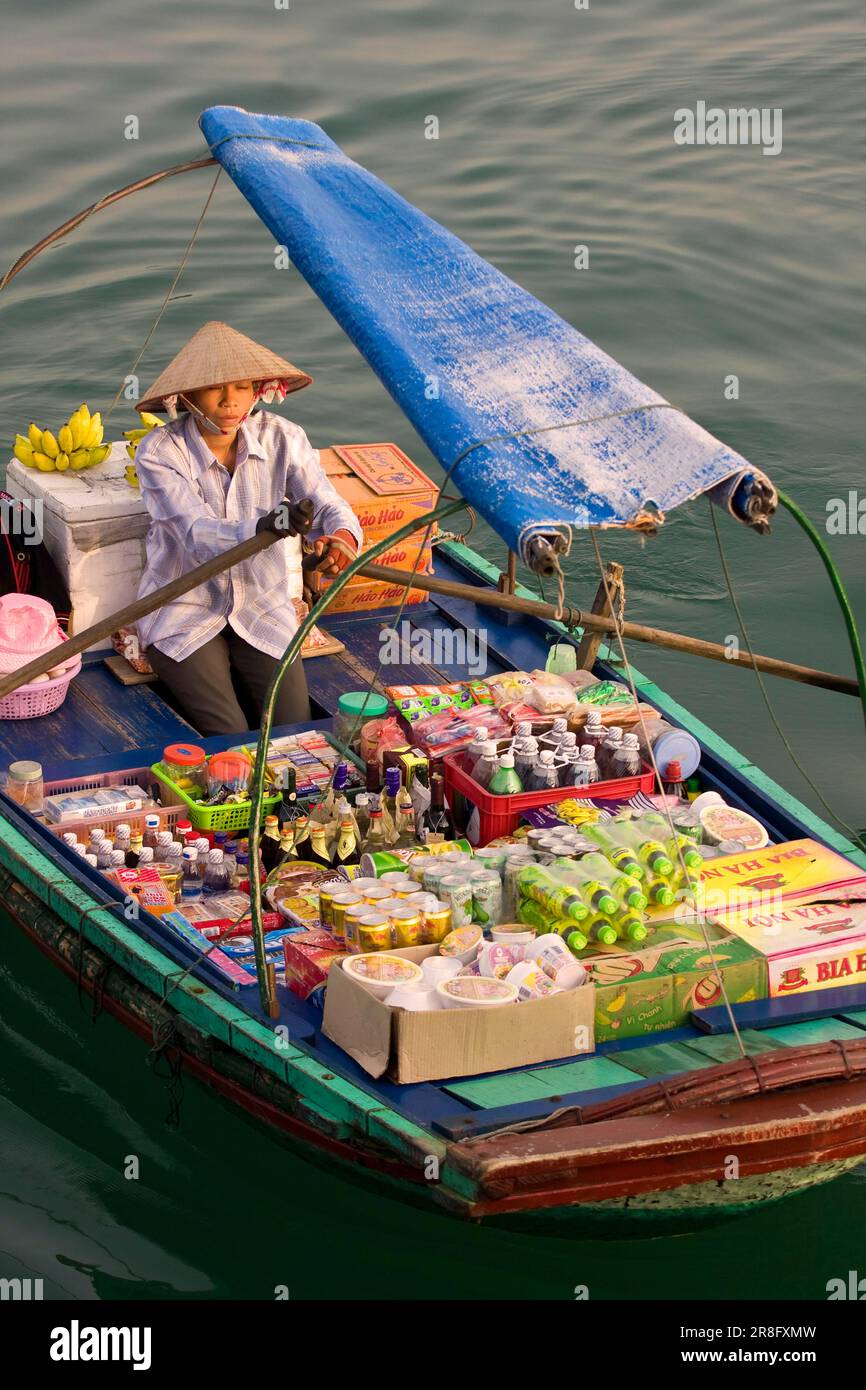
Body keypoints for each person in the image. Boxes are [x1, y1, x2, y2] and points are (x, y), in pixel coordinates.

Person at [133, 321, 362, 735]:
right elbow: (195, 533)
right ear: (186, 396)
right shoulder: (160, 451)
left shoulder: (283, 437)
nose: (229, 402)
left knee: (296, 731)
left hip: (262, 605)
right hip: (183, 608)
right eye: (214, 389)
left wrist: (341, 538)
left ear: (258, 390)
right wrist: (263, 527)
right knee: (231, 734)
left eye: (241, 388)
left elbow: (329, 503)